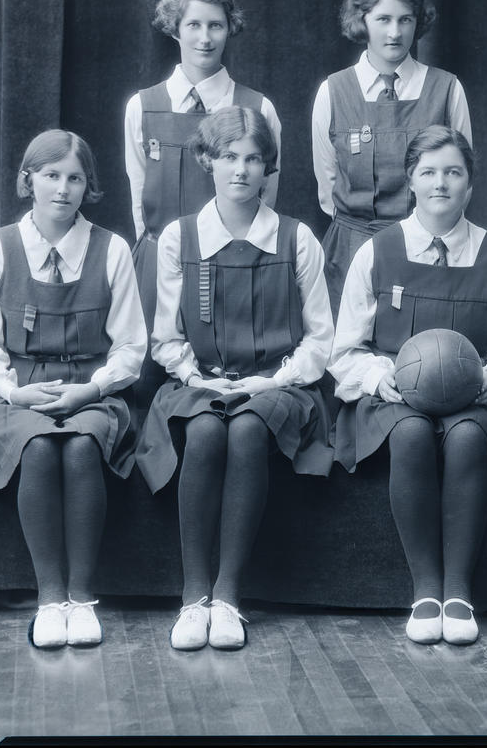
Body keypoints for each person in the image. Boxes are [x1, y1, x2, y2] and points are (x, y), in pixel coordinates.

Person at [329, 126, 487, 646]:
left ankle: (459, 591)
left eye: (453, 172)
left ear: (470, 185)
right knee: (411, 434)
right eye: (429, 172)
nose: (441, 183)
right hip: (395, 398)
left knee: (467, 437)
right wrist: (381, 380)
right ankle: (425, 588)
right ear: (412, 182)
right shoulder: (377, 252)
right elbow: (345, 352)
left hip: (475, 398)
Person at [135, 106, 335, 651]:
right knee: (203, 431)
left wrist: (269, 384)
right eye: (228, 157)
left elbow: (321, 340)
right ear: (207, 161)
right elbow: (165, 337)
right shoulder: (179, 238)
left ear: (268, 167)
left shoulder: (297, 239)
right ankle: (192, 595)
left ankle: (228, 597)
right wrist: (196, 376)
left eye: (253, 159)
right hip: (199, 382)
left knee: (245, 431)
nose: (241, 170)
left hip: (279, 388)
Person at [0, 130, 146, 649]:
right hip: (16, 392)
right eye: (50, 176)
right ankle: (49, 600)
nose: (62, 189)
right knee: (38, 448)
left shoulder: (112, 250)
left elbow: (130, 348)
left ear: (89, 186)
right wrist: (12, 393)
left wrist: (92, 391)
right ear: (28, 181)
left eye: (75, 178)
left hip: (94, 391)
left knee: (81, 445)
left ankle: (82, 601)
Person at [124, 0, 282, 407]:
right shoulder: (142, 107)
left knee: (228, 394)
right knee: (149, 384)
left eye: (216, 25)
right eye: (194, 25)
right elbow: (139, 199)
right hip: (158, 263)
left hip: (232, 269)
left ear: (230, 28)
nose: (205, 38)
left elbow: (265, 198)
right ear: (174, 27)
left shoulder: (258, 109)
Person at [312, 0, 472, 311]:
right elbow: (328, 186)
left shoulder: (446, 89)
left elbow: (461, 180)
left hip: (427, 249)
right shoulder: (333, 91)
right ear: (362, 20)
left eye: (405, 19)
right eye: (383, 19)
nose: (395, 32)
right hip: (351, 251)